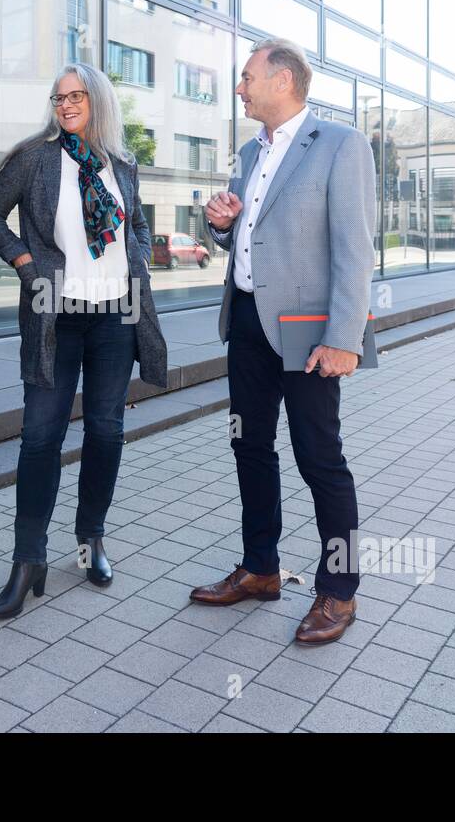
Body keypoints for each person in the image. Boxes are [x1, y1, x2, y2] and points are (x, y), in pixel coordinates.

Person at [190, 37, 376, 646]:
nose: (239, 88)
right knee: (250, 449)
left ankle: (339, 591)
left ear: (283, 81)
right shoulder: (249, 150)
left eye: (246, 78)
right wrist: (220, 224)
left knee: (320, 458)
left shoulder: (341, 145)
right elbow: (248, 235)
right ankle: (261, 568)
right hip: (245, 321)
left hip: (306, 328)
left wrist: (346, 337)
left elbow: (355, 247)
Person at [0, 63, 168, 618]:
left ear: (99, 101)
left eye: (76, 95)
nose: (65, 104)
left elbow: (135, 226)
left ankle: (91, 540)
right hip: (54, 313)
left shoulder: (121, 164)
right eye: (58, 97)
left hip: (115, 318)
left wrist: (139, 258)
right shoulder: (35, 157)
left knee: (107, 431)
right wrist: (25, 261)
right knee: (40, 437)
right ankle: (27, 560)